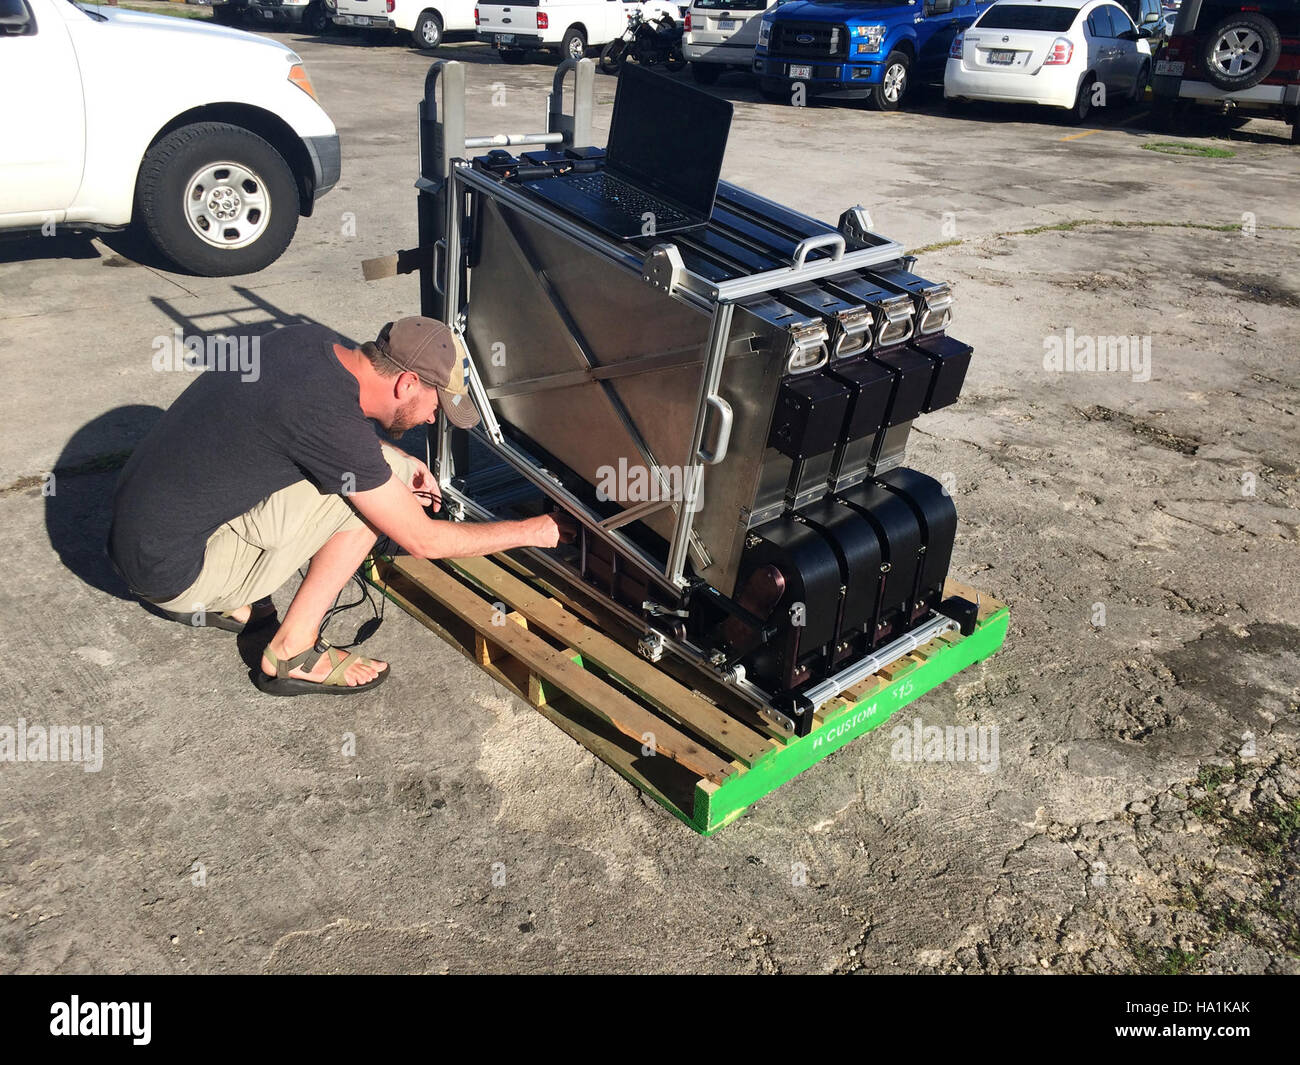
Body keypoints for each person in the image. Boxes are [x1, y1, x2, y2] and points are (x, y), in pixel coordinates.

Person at [108, 317, 569, 696]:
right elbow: (423, 540)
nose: (433, 418)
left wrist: (400, 458)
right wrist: (536, 531)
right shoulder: (327, 422)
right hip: (175, 573)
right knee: (376, 500)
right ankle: (291, 651)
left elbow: (321, 429)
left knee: (382, 468)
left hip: (145, 540)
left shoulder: (306, 341)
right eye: (436, 405)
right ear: (407, 382)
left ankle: (228, 596)